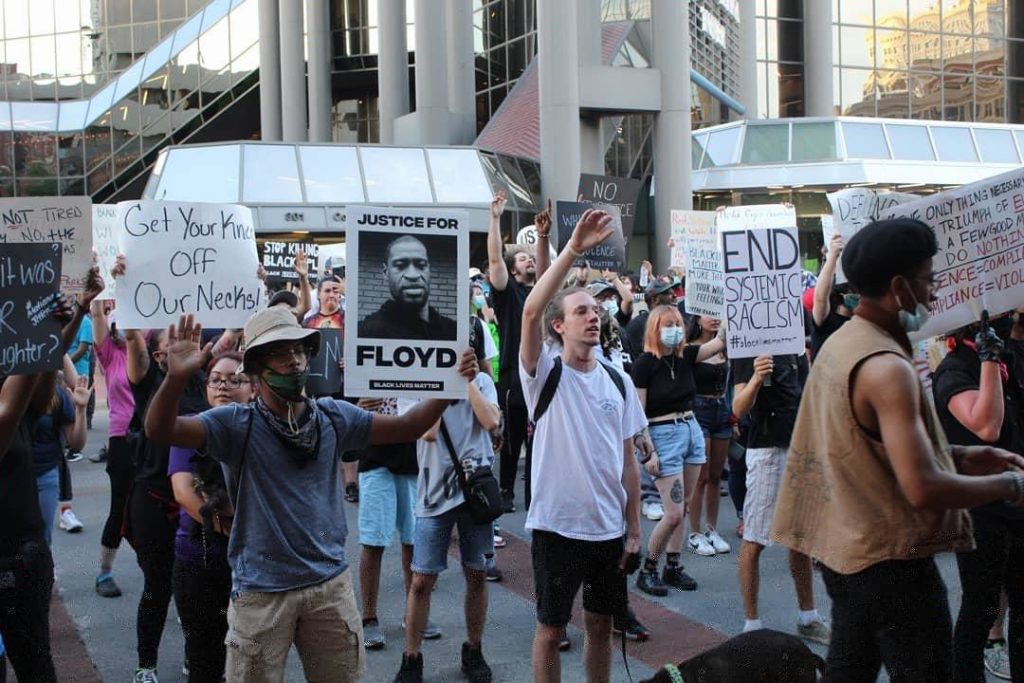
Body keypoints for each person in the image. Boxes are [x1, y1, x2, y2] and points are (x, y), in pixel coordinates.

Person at [144, 308, 478, 682]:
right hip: (261, 592)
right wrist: (174, 380)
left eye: (300, 350)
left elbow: (408, 425)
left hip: (328, 588)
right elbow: (160, 430)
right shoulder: (235, 424)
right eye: (280, 352)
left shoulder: (333, 417)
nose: (295, 360)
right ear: (255, 368)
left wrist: (450, 383)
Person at [770, 217, 1024, 682]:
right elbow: (922, 486)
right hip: (890, 563)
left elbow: (867, 449)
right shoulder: (887, 366)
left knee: (849, 668)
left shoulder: (843, 343)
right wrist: (1010, 484)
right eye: (928, 280)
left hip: (847, 552)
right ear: (899, 287)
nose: (933, 293)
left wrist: (965, 457)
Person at [520, 208, 646, 683]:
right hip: (556, 528)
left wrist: (634, 530)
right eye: (581, 311)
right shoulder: (544, 376)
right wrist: (572, 248)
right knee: (551, 632)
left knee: (600, 626)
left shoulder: (617, 380)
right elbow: (531, 308)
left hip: (607, 529)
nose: (594, 317)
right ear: (559, 327)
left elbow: (628, 463)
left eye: (596, 310)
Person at [0, 267, 104, 683]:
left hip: (22, 554)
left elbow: (39, 378)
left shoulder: (20, 395)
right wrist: (43, 327)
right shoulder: (9, 406)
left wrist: (73, 314)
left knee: (35, 663)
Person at [394, 368, 501, 683]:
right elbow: (426, 430)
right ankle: (411, 657)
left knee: (477, 574)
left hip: (474, 492)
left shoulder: (481, 382)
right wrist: (442, 381)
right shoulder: (415, 382)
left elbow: (491, 421)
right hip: (434, 494)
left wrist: (466, 382)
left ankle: (474, 649)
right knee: (421, 581)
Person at [932, 319, 1024, 683]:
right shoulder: (954, 370)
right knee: (981, 610)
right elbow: (987, 426)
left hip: (1015, 500)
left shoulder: (1009, 359)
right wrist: (988, 357)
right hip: (980, 511)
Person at [732, 347, 828, 642]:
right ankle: (752, 625)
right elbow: (738, 408)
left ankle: (808, 617)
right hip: (767, 451)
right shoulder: (747, 349)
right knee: (756, 538)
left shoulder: (796, 346)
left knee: (800, 539)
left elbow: (807, 398)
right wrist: (757, 379)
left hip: (799, 447)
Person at [169, 352, 252, 683]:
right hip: (200, 560)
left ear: (253, 388)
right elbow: (182, 492)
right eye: (216, 378)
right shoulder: (191, 427)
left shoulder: (262, 430)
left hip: (254, 567)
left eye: (235, 379)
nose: (224, 386)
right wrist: (229, 527)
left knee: (251, 659)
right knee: (205, 660)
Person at [631, 305, 724, 595]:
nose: (675, 330)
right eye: (667, 325)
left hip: (691, 430)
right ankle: (649, 568)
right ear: (655, 329)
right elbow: (637, 414)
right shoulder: (645, 364)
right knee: (672, 513)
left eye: (678, 324)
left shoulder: (686, 357)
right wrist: (649, 452)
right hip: (662, 435)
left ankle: (672, 566)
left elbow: (721, 340)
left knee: (682, 508)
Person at [355, 396, 441, 651]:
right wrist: (357, 408)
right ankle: (369, 617)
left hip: (414, 459)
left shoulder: (417, 361)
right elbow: (348, 408)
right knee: (373, 542)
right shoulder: (369, 362)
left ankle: (413, 613)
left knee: (414, 541)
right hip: (375, 459)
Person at [488, 191, 551, 513]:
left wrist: (543, 237)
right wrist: (496, 218)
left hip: (544, 374)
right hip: (514, 376)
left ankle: (534, 495)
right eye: (522, 258)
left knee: (540, 437)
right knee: (513, 438)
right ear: (513, 271)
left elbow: (547, 271)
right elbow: (496, 260)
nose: (528, 260)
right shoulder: (508, 292)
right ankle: (506, 490)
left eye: (531, 258)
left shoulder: (543, 292)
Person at [91, 303, 136, 598]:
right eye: (116, 326)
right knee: (119, 507)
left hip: (153, 438)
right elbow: (97, 315)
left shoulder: (147, 354)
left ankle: (162, 573)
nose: (120, 331)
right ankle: (104, 572)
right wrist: (99, 295)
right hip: (121, 439)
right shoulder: (110, 355)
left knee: (156, 510)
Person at [687, 315, 734, 556]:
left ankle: (711, 529)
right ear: (697, 316)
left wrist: (734, 417)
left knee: (716, 476)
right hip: (699, 412)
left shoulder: (725, 348)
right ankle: (694, 532)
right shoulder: (690, 347)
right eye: (709, 313)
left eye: (719, 314)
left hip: (722, 411)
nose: (715, 319)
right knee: (701, 477)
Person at [359, 236, 458, 341]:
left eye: (421, 265)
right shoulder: (365, 332)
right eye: (400, 266)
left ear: (429, 270)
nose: (413, 275)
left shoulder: (453, 331)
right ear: (386, 272)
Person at [33, 361, 89, 543]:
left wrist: (81, 409)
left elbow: (76, 443)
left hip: (44, 475)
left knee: (42, 540)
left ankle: (44, 570)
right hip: (11, 476)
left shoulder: (56, 394)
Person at [810, 234, 857, 360]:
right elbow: (820, 298)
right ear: (838, 296)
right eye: (852, 292)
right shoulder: (827, 320)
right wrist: (832, 257)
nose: (858, 297)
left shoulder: (862, 323)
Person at [621, 277, 676, 362]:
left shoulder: (676, 322)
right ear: (655, 299)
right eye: (669, 293)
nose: (674, 296)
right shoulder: (637, 326)